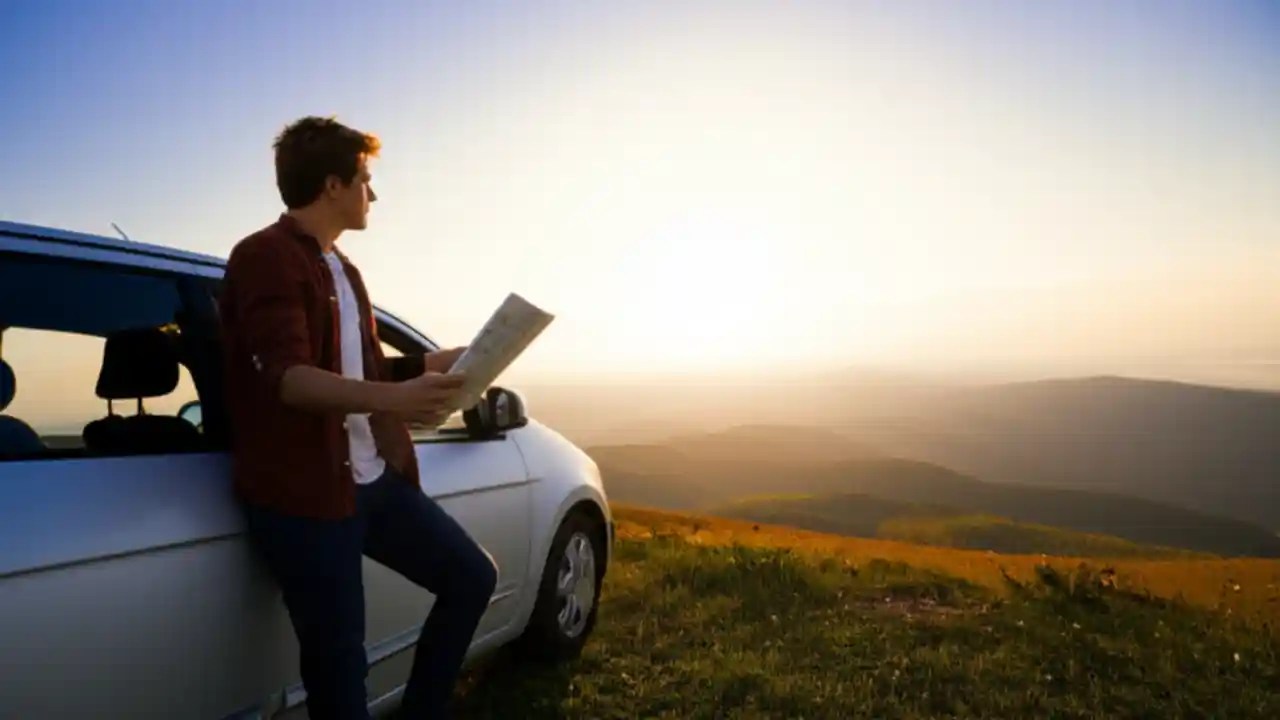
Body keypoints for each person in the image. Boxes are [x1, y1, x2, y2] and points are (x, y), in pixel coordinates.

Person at [219, 115, 499, 719]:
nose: (372, 193)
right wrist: (398, 402)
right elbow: (289, 380)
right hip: (304, 499)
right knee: (340, 667)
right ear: (332, 187)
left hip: (370, 483)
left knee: (471, 577)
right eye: (365, 180)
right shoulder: (263, 258)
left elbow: (365, 373)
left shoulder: (343, 270)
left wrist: (437, 362)